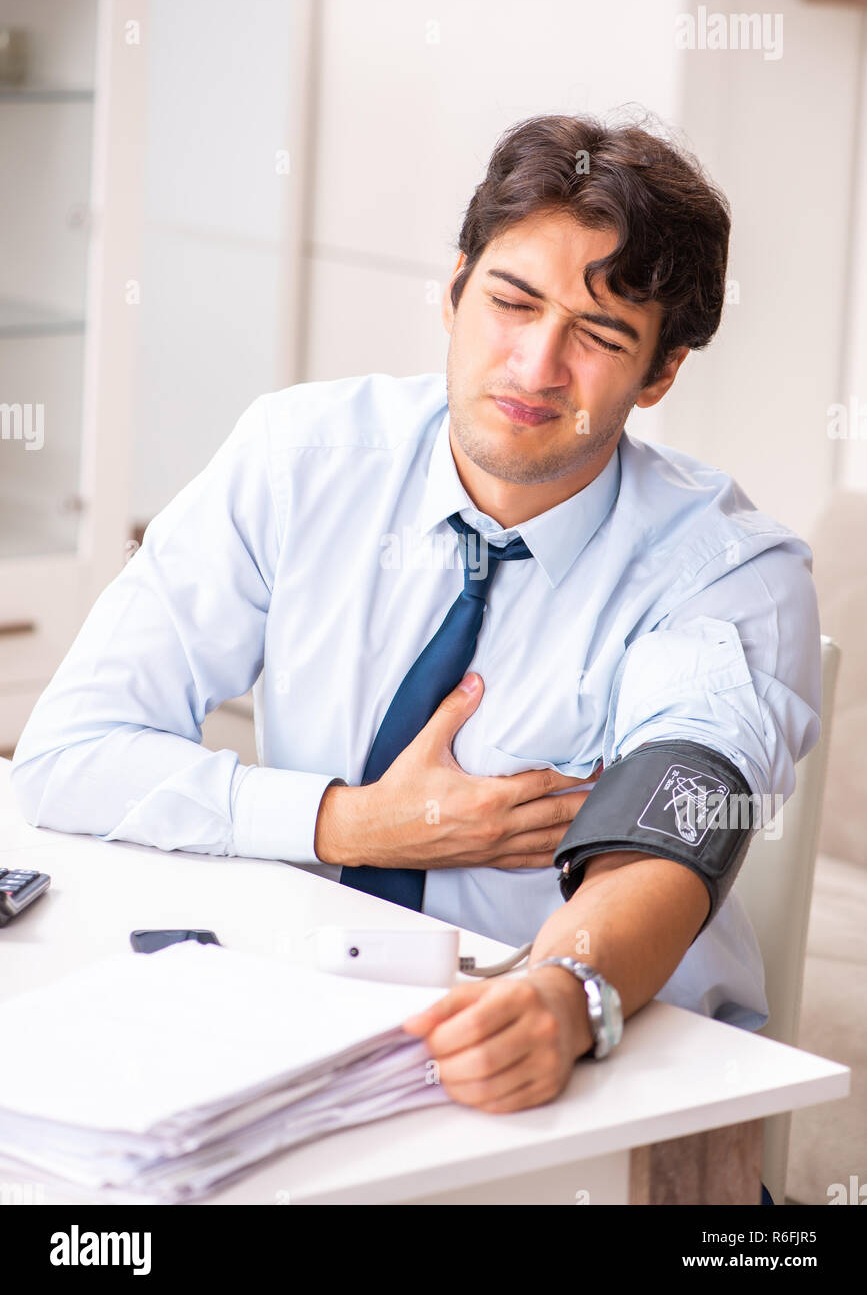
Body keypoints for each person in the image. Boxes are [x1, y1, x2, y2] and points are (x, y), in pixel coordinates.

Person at [12, 114, 821, 1133]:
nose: (535, 367)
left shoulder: (731, 570)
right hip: (307, 1025)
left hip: (605, 1071)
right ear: (451, 291)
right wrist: (348, 820)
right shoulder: (297, 458)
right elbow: (72, 753)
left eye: (601, 336)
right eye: (510, 303)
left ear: (661, 372)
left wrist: (564, 996)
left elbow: (667, 833)